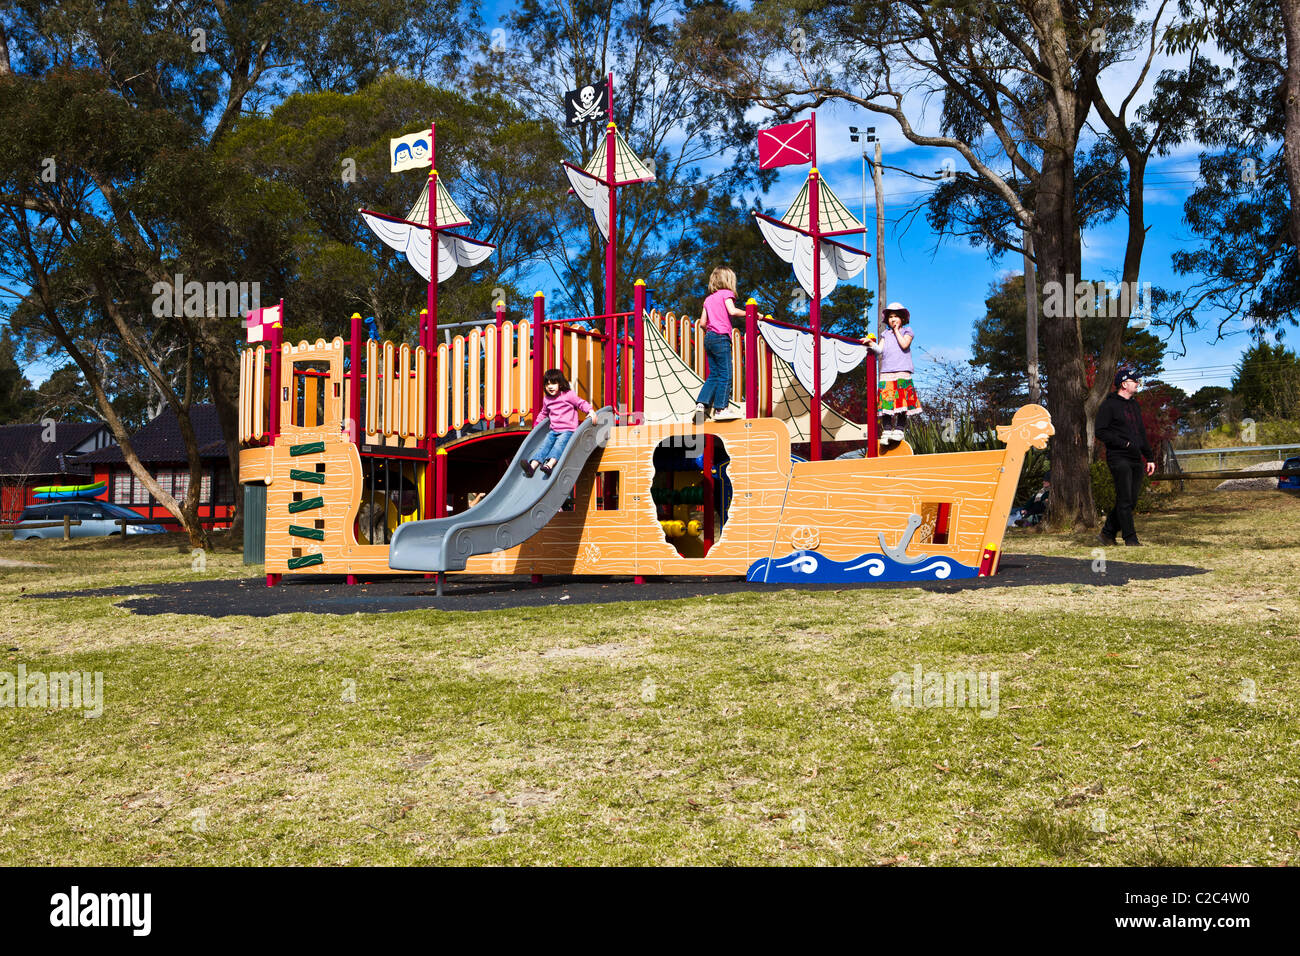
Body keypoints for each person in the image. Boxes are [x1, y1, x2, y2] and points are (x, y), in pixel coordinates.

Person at [1094, 369, 1156, 546]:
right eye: (1134, 380)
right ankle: (1130, 539)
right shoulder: (1109, 405)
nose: (1137, 383)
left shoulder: (1135, 406)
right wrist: (1123, 443)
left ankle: (1107, 533)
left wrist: (1149, 458)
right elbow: (1100, 431)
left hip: (1135, 458)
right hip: (1118, 457)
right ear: (1124, 384)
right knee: (1125, 499)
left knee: (1131, 500)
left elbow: (1141, 433)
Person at [863, 301, 922, 447]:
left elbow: (904, 344)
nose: (893, 319)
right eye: (890, 317)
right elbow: (880, 350)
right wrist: (870, 344)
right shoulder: (885, 334)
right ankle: (887, 430)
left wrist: (896, 331)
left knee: (902, 403)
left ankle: (900, 430)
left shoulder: (907, 331)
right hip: (886, 372)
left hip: (902, 371)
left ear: (902, 318)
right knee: (886, 403)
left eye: (896, 316)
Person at [694, 267, 747, 425]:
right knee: (725, 373)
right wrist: (751, 313)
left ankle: (701, 403)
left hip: (709, 337)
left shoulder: (708, 299)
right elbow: (732, 311)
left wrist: (711, 329)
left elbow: (702, 323)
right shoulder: (727, 294)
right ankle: (721, 408)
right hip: (721, 337)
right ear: (729, 281)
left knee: (714, 373)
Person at [522, 369, 597, 478]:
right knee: (544, 446)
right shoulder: (547, 399)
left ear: (560, 384)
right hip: (553, 431)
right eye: (547, 384)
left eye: (553, 383)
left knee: (558, 446)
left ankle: (549, 465)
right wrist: (536, 426)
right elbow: (543, 413)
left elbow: (581, 403)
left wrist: (590, 411)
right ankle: (532, 467)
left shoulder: (568, 395)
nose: (550, 386)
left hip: (568, 431)